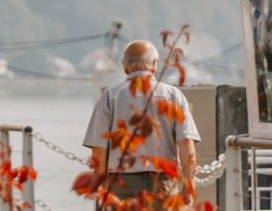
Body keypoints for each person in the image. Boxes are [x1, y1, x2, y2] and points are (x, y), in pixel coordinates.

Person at [83, 40, 201, 201]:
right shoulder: (174, 96)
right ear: (154, 64)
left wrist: (100, 188)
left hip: (120, 184)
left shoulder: (109, 97)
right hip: (162, 183)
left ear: (125, 66)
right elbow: (186, 143)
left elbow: (99, 149)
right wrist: (188, 187)